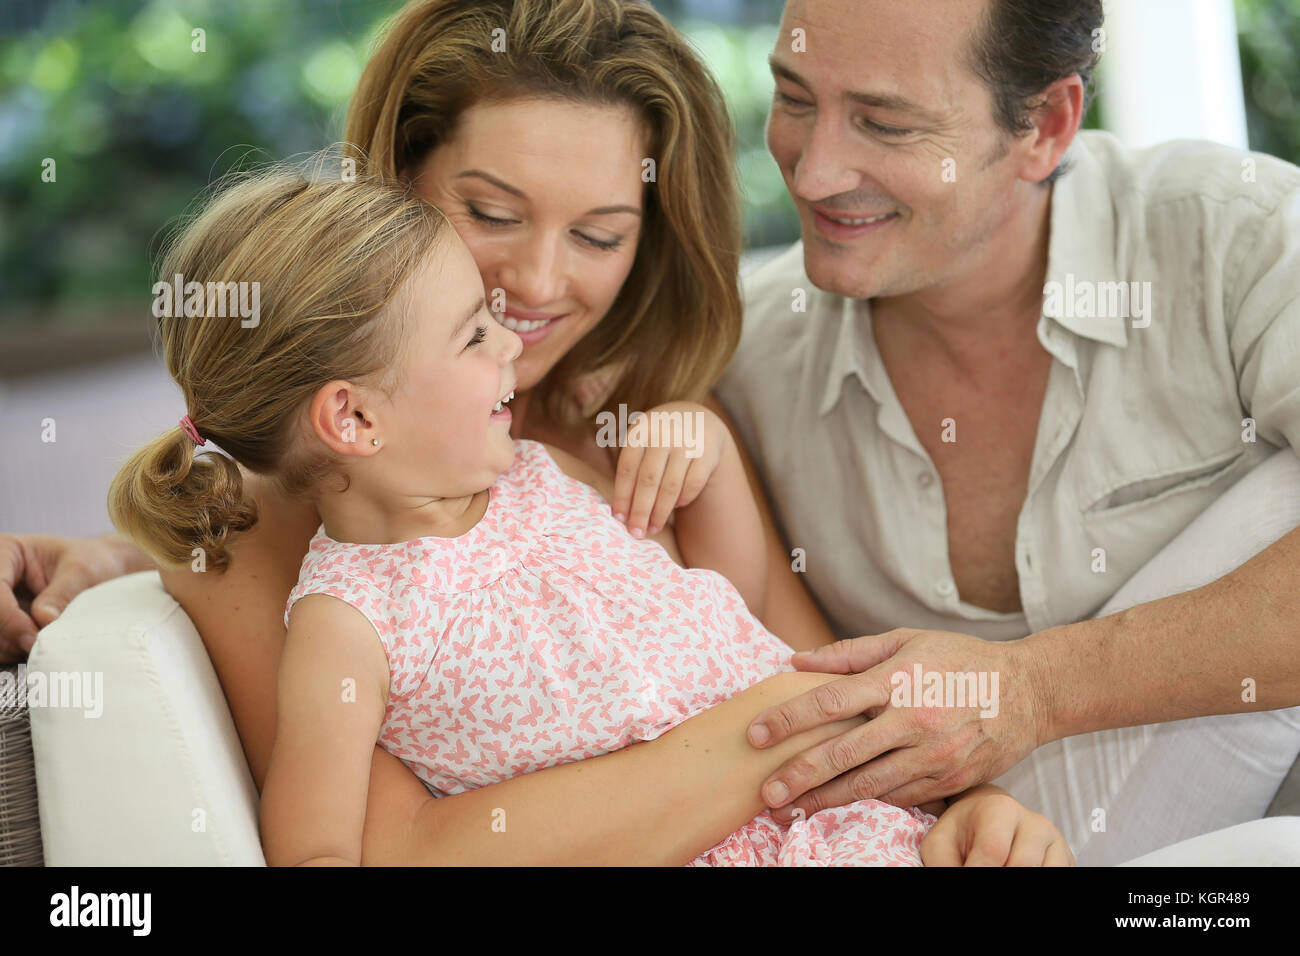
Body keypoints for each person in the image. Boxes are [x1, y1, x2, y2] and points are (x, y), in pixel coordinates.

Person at [0, 0, 1064, 866]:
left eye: (601, 232)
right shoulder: (292, 540)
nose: (538, 286)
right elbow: (395, 846)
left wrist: (960, 820)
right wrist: (757, 741)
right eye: (493, 213)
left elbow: (809, 680)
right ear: (395, 187)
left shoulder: (629, 434)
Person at [719, 0, 1300, 865]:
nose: (813, 172)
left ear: (1046, 126)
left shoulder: (1235, 240)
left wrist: (1035, 688)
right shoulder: (741, 358)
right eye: (795, 99)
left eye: (884, 123)